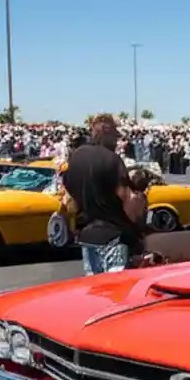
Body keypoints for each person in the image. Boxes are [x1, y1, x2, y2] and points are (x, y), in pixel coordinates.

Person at [61, 114, 147, 275]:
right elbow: (127, 198)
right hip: (113, 237)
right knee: (116, 291)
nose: (116, 141)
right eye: (115, 135)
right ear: (106, 132)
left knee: (94, 289)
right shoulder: (112, 160)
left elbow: (69, 198)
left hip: (87, 236)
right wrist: (139, 226)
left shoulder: (75, 158)